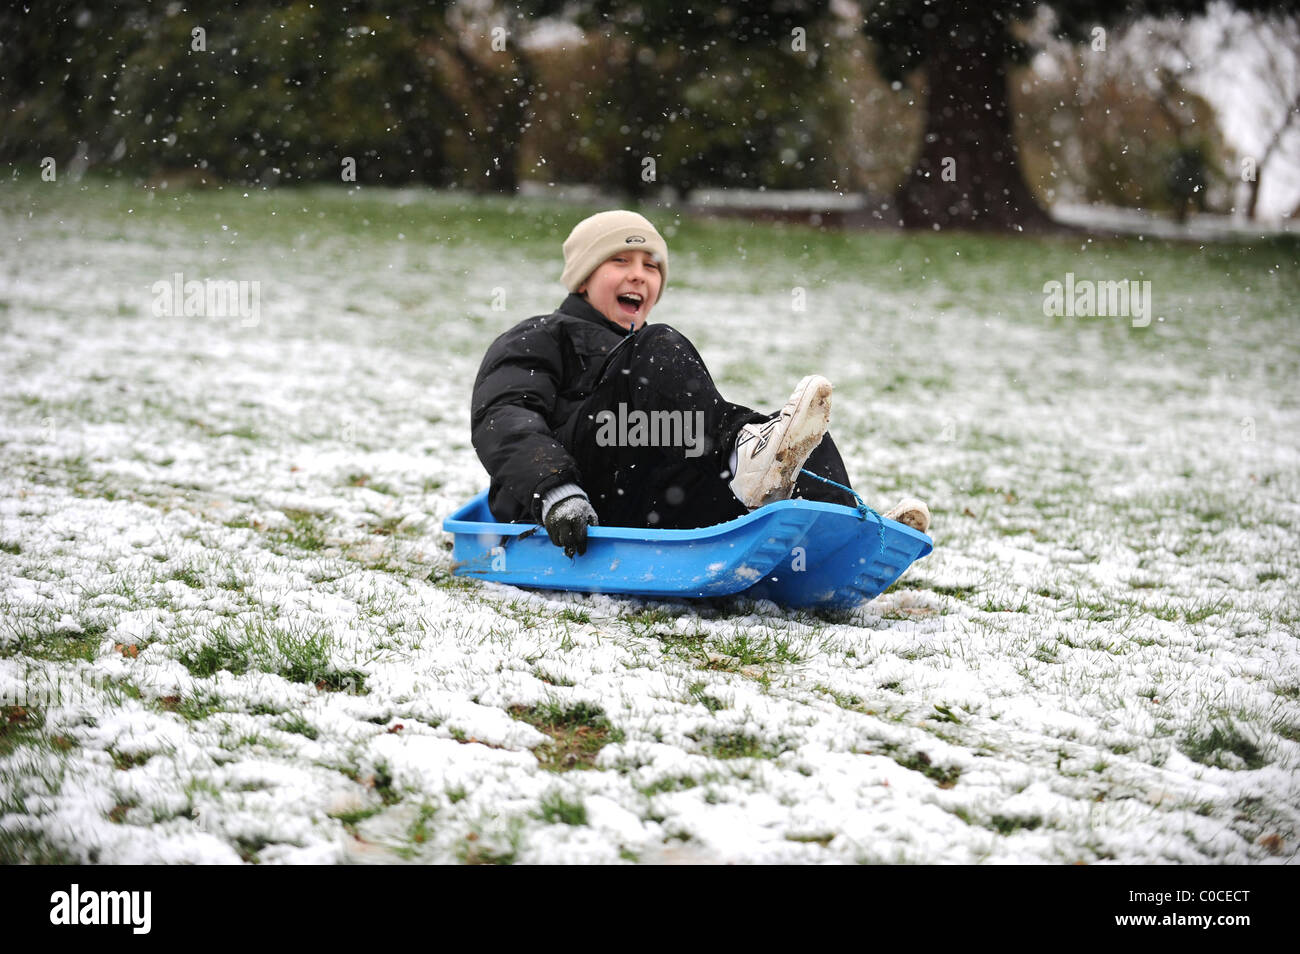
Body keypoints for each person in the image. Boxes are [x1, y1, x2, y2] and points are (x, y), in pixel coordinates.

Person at [470, 210, 930, 556]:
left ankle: (845, 534)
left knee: (802, 441)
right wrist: (554, 488)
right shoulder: (542, 336)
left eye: (651, 266)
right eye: (619, 260)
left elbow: (681, 433)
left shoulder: (643, 356)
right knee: (660, 348)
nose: (639, 274)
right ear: (584, 278)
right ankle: (744, 451)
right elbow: (503, 415)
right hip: (565, 500)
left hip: (642, 497)